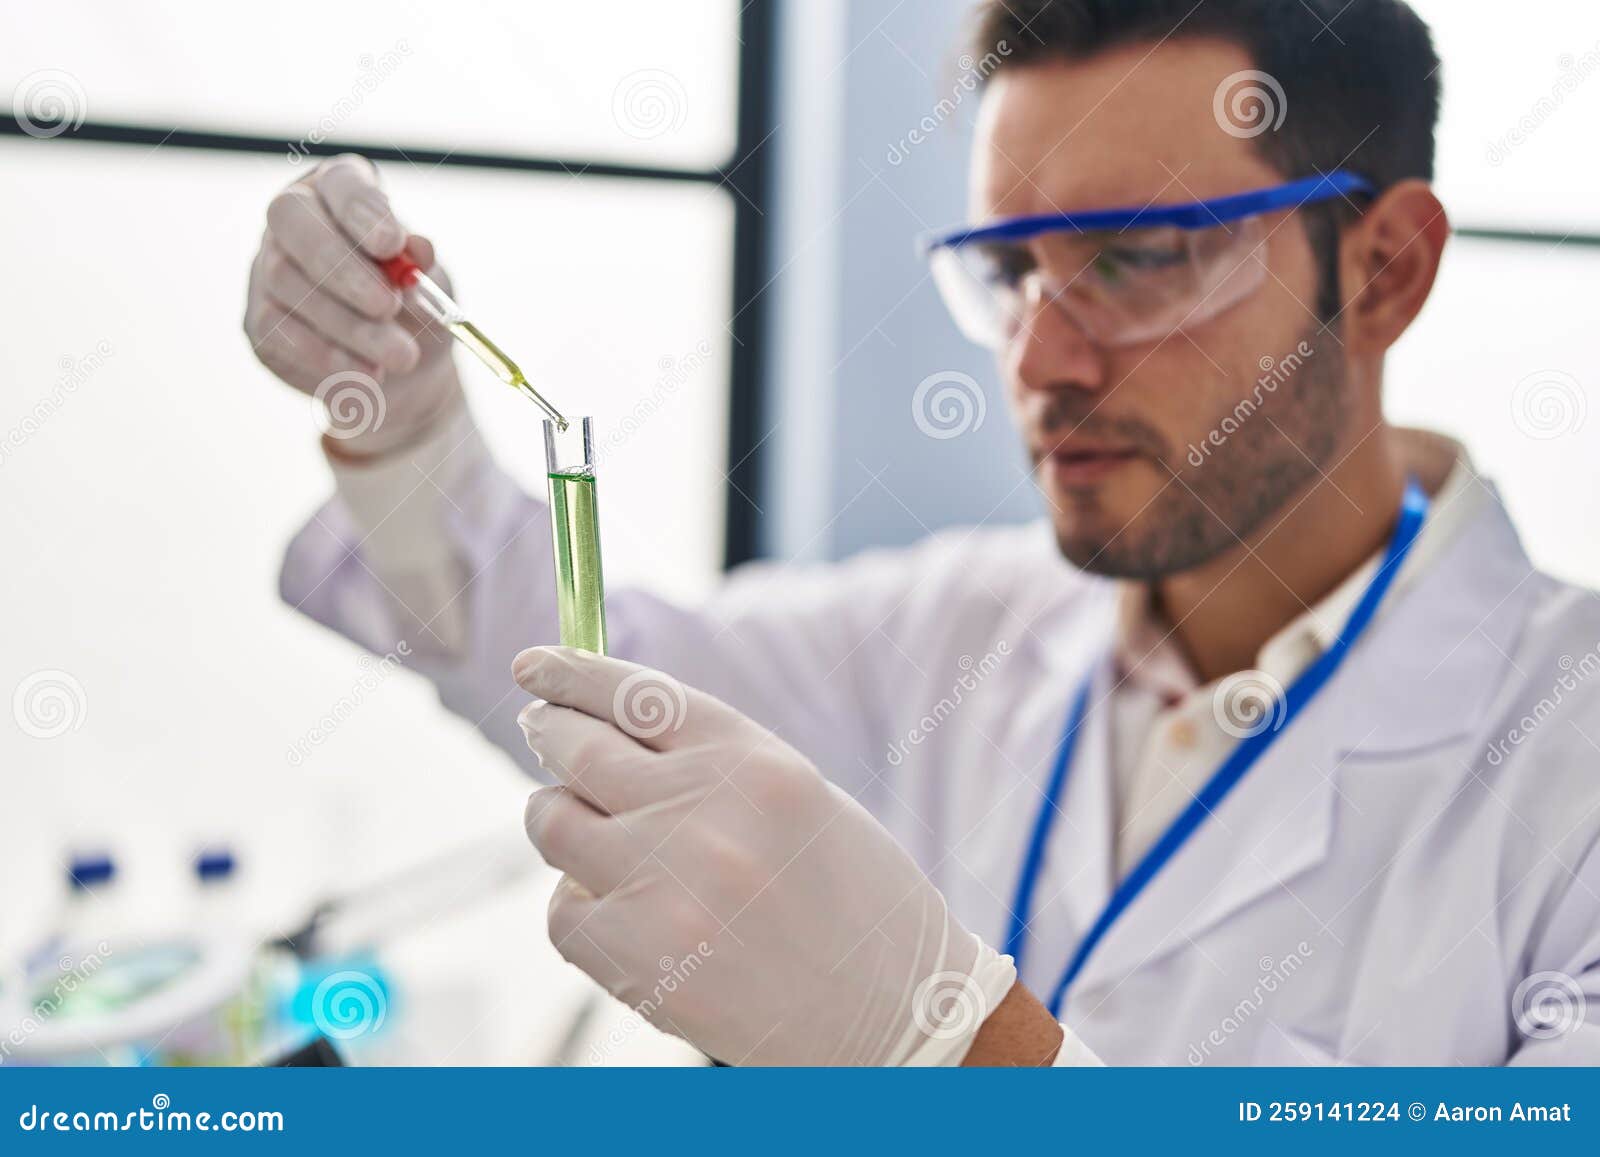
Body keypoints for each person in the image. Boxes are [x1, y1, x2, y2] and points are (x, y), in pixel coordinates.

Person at [245, 0, 1600, 1066]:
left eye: (1136, 256)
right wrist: (406, 416)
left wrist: (949, 1050)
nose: (1045, 359)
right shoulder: (958, 637)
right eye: (1012, 270)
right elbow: (583, 662)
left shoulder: (1567, 759)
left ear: (1384, 270)